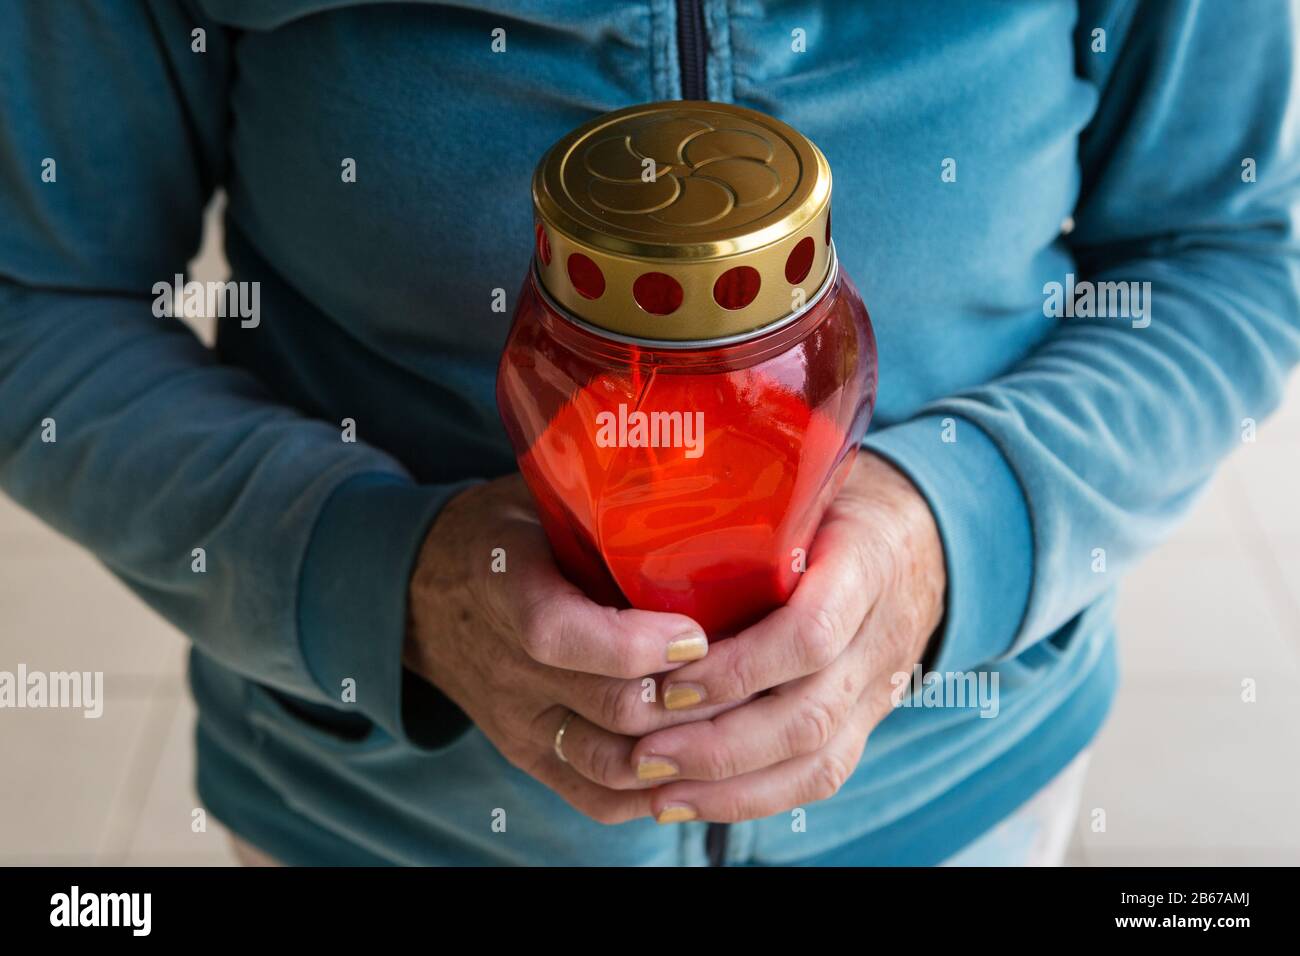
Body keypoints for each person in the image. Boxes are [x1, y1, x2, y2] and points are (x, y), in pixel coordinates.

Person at [2, 0, 1297, 867]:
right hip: (381, 825)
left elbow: (1231, 244)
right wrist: (383, 581)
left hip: (954, 801)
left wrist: (956, 540)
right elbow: (35, 296)